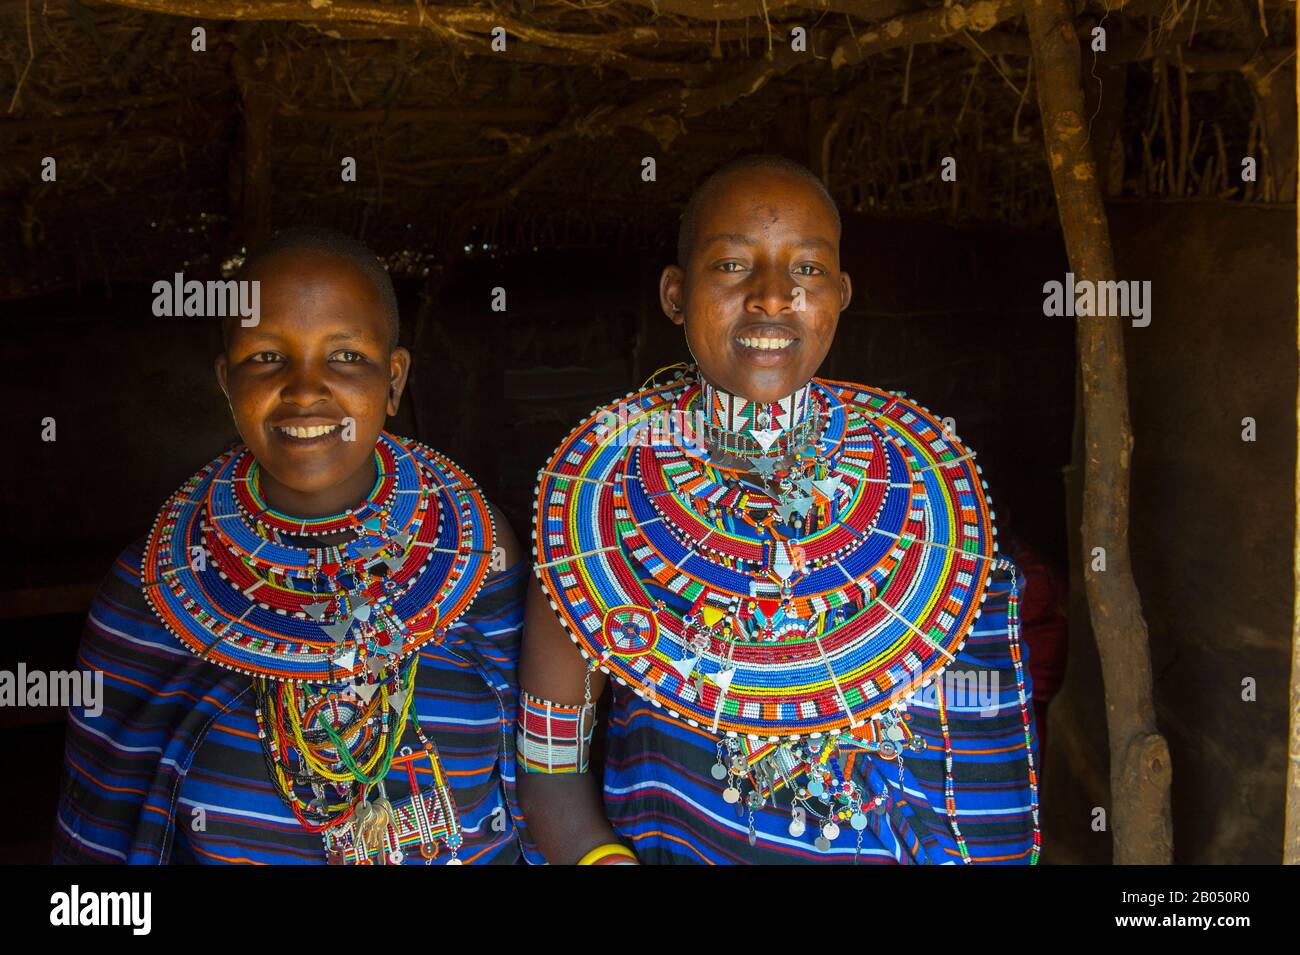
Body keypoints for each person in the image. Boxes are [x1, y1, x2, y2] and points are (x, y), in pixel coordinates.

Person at [518, 155, 1041, 864]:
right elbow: (552, 778)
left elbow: (970, 778)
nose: (773, 297)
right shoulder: (599, 508)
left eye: (808, 270)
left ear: (841, 293)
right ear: (676, 294)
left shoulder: (926, 498)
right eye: (732, 266)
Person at [53, 227, 532, 864]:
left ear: (393, 381)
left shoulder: (475, 556)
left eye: (345, 357)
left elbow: (541, 781)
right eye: (265, 357)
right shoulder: (158, 584)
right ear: (226, 381)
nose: (305, 389)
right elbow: (102, 834)